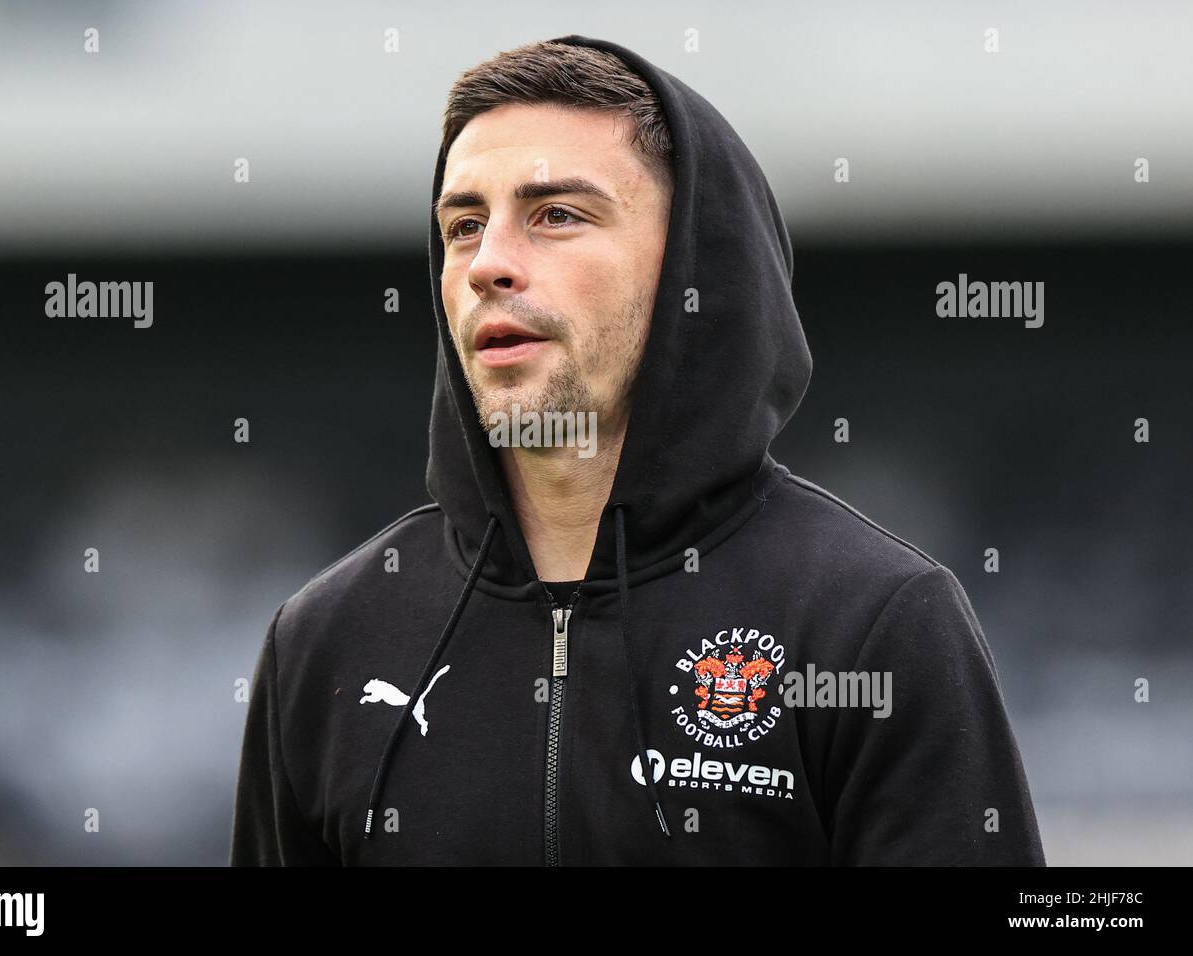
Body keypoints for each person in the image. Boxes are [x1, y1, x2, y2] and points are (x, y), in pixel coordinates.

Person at [230, 34, 1046, 866]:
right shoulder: (327, 638)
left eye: (557, 215)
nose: (488, 265)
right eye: (464, 225)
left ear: (695, 264)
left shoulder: (873, 622)